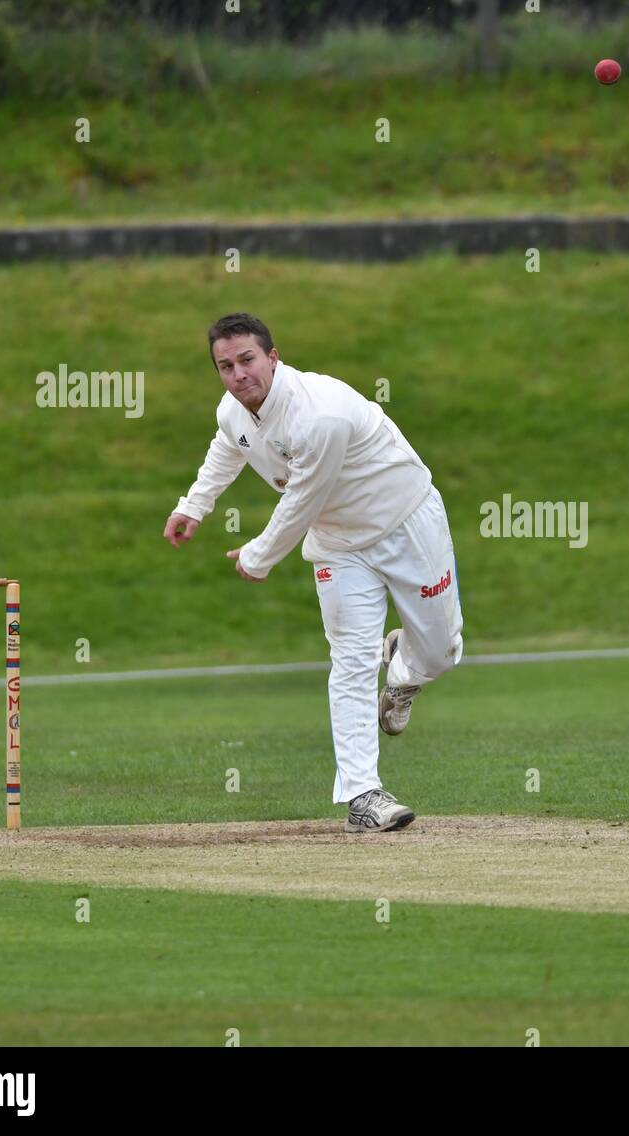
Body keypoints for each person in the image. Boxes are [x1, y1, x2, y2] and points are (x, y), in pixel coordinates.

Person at [163, 313, 463, 833]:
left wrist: (258, 556)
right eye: (225, 366)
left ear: (274, 357)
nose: (238, 375)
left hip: (405, 520)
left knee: (440, 652)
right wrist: (194, 505)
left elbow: (303, 498)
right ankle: (364, 796)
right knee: (348, 661)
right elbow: (228, 447)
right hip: (338, 546)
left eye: (247, 360)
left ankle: (402, 674)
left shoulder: (320, 415)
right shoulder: (232, 410)